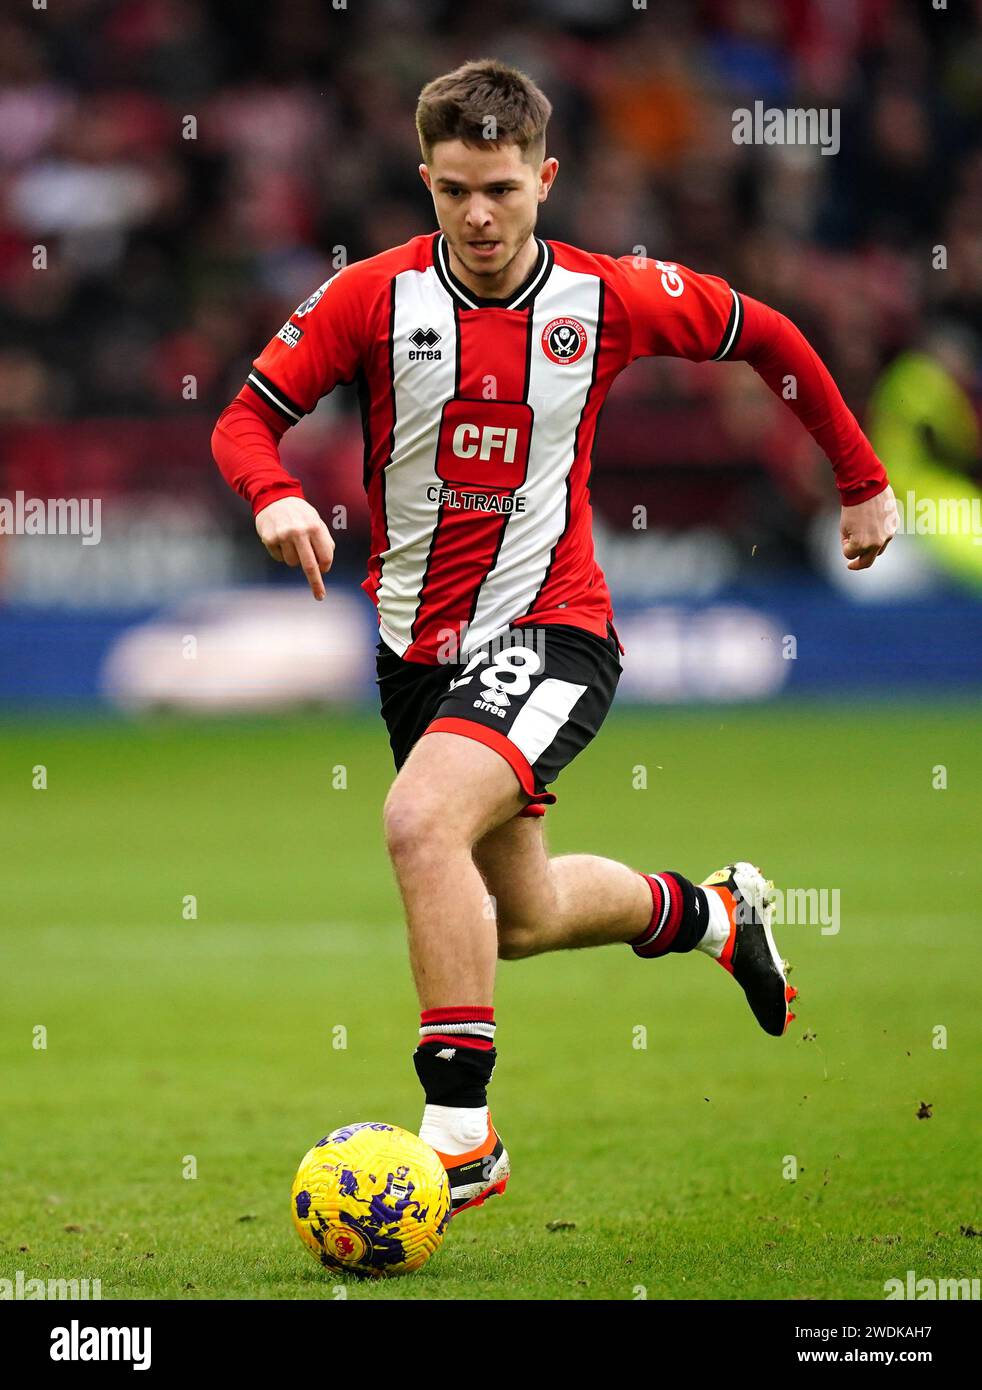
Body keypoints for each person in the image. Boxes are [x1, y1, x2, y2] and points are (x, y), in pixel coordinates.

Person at [212, 59, 898, 1216]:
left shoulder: (609, 297)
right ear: (423, 179)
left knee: (418, 822)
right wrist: (272, 491)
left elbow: (768, 332)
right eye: (454, 191)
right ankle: (712, 911)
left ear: (546, 177)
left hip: (553, 627)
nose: (479, 216)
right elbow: (245, 418)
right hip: (414, 655)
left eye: (502, 190)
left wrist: (861, 478)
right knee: (517, 918)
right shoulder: (367, 299)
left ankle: (460, 1138)